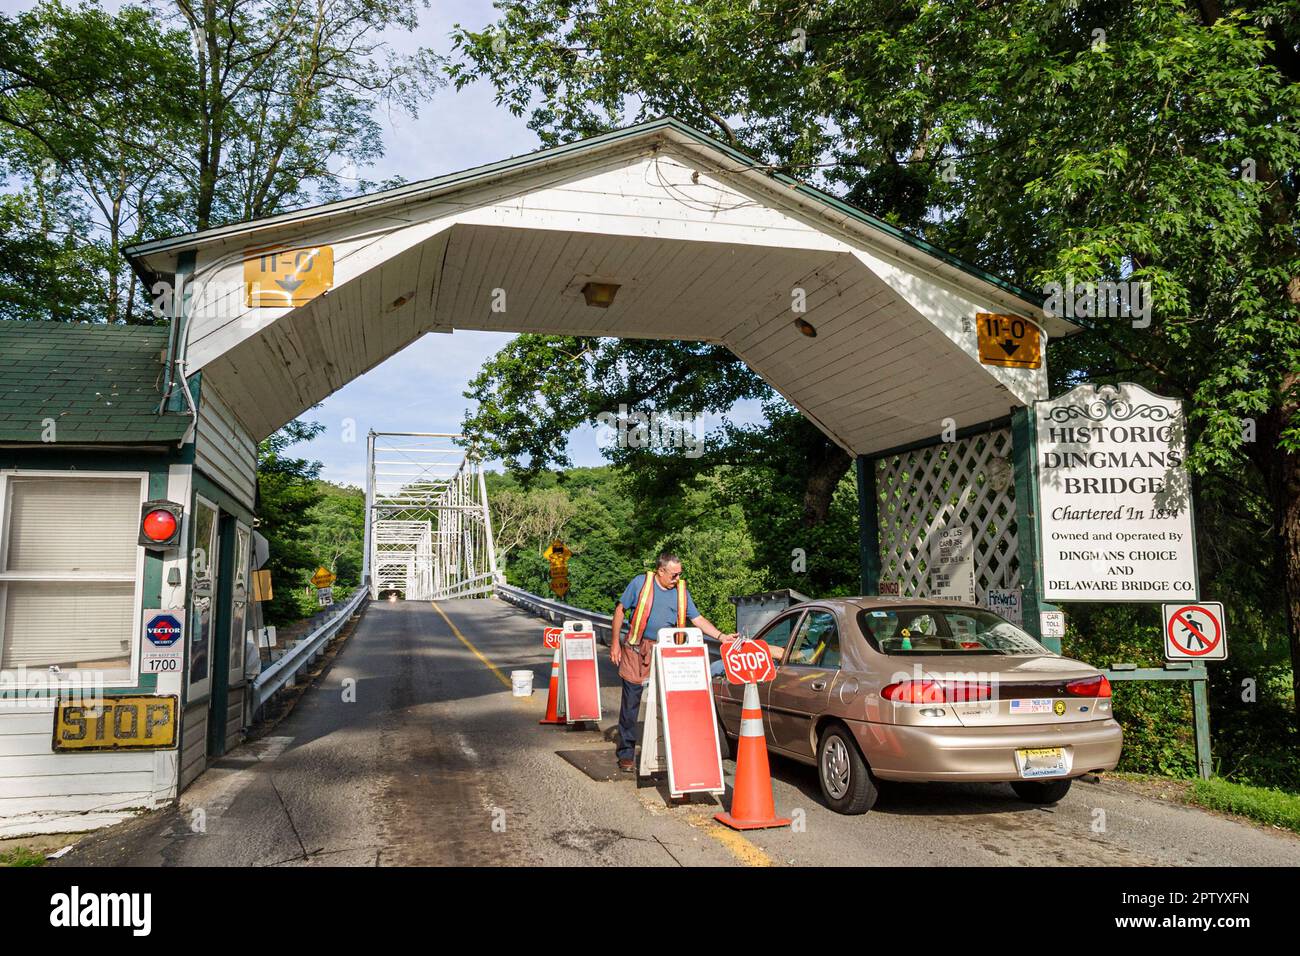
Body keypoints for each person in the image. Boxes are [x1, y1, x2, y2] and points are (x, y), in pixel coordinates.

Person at [610, 552, 736, 773]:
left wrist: (721, 636)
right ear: (661, 571)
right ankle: (626, 753)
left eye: (680, 574)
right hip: (636, 650)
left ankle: (671, 751)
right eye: (674, 574)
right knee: (630, 703)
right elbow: (620, 610)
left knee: (670, 703)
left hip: (666, 651)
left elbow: (697, 619)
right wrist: (614, 644)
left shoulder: (681, 592)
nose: (678, 578)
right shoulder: (641, 583)